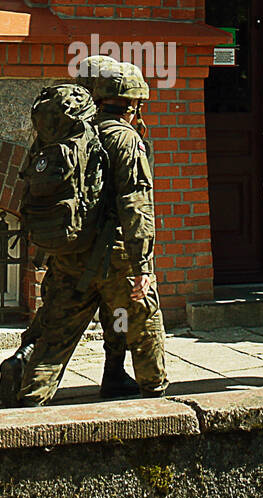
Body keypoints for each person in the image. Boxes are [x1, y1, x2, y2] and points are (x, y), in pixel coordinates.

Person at [17, 60, 167, 406]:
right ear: (134, 104)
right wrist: (143, 265)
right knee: (144, 327)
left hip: (71, 255)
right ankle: (160, 406)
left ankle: (27, 406)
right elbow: (136, 203)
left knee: (54, 340)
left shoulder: (76, 134)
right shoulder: (126, 139)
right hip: (117, 260)